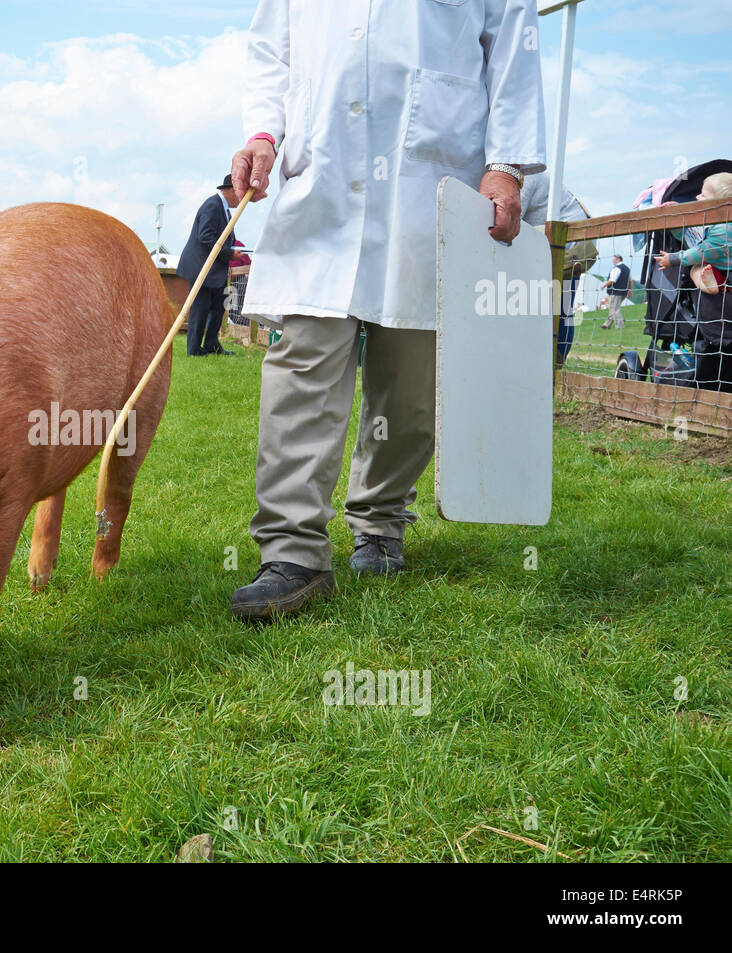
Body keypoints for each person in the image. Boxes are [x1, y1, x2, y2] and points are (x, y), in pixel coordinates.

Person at [227, 0, 545, 620]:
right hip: (323, 174)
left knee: (411, 384)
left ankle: (378, 521)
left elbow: (512, 42)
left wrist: (506, 164)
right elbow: (271, 49)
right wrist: (264, 132)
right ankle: (292, 554)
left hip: (428, 174)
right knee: (301, 365)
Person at [653, 172, 732, 391]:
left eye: (703, 195)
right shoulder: (711, 224)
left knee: (697, 264)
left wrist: (673, 259)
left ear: (722, 203)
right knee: (699, 267)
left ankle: (707, 280)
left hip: (723, 284)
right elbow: (690, 238)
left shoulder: (725, 229)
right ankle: (707, 279)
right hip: (718, 272)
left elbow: (699, 250)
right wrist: (677, 219)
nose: (697, 198)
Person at [521, 171, 593, 365]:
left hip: (569, 246)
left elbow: (511, 215)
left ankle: (555, 365)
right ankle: (551, 363)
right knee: (560, 308)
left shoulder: (526, 175)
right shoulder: (529, 172)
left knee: (560, 309)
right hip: (563, 242)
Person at [177, 174, 241, 356]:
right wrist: (230, 253)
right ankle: (194, 349)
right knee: (200, 309)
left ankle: (211, 344)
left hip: (213, 270)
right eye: (239, 193)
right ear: (230, 191)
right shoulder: (213, 206)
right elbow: (205, 237)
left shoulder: (221, 207)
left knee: (219, 306)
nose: (241, 198)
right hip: (201, 268)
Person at [602, 255, 631, 329]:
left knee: (615, 309)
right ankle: (607, 324)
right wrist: (630, 290)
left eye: (613, 260)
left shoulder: (617, 268)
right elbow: (630, 280)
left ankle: (620, 325)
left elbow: (612, 280)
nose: (613, 261)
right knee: (613, 307)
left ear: (618, 259)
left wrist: (603, 286)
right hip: (624, 292)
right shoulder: (627, 269)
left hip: (616, 292)